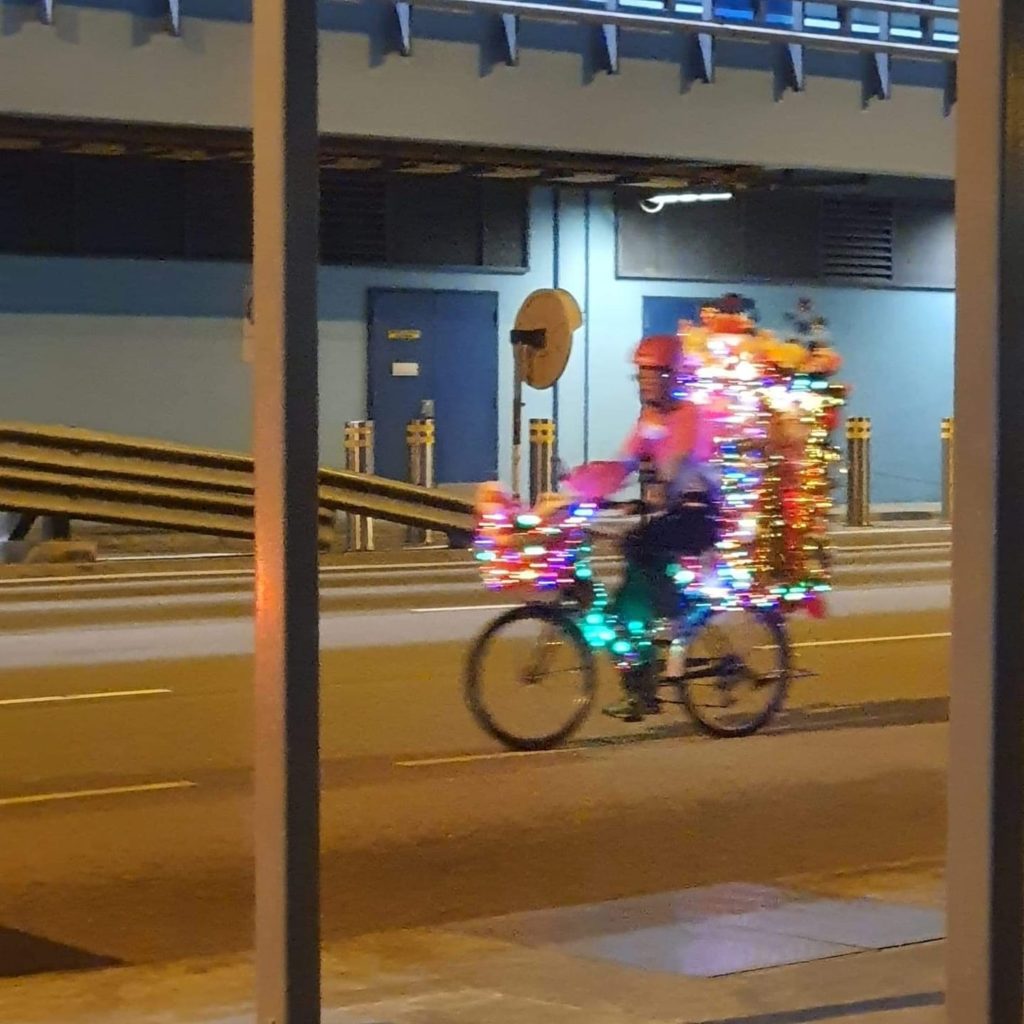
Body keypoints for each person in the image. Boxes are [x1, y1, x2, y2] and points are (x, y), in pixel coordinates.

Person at [557, 334, 720, 722]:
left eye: (655, 374)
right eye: (642, 375)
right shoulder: (650, 418)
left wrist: (639, 502)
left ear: (674, 376)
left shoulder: (688, 417)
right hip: (665, 513)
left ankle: (654, 653)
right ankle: (651, 647)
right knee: (629, 568)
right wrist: (578, 489)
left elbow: (675, 469)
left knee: (635, 563)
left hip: (696, 515)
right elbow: (625, 464)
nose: (647, 382)